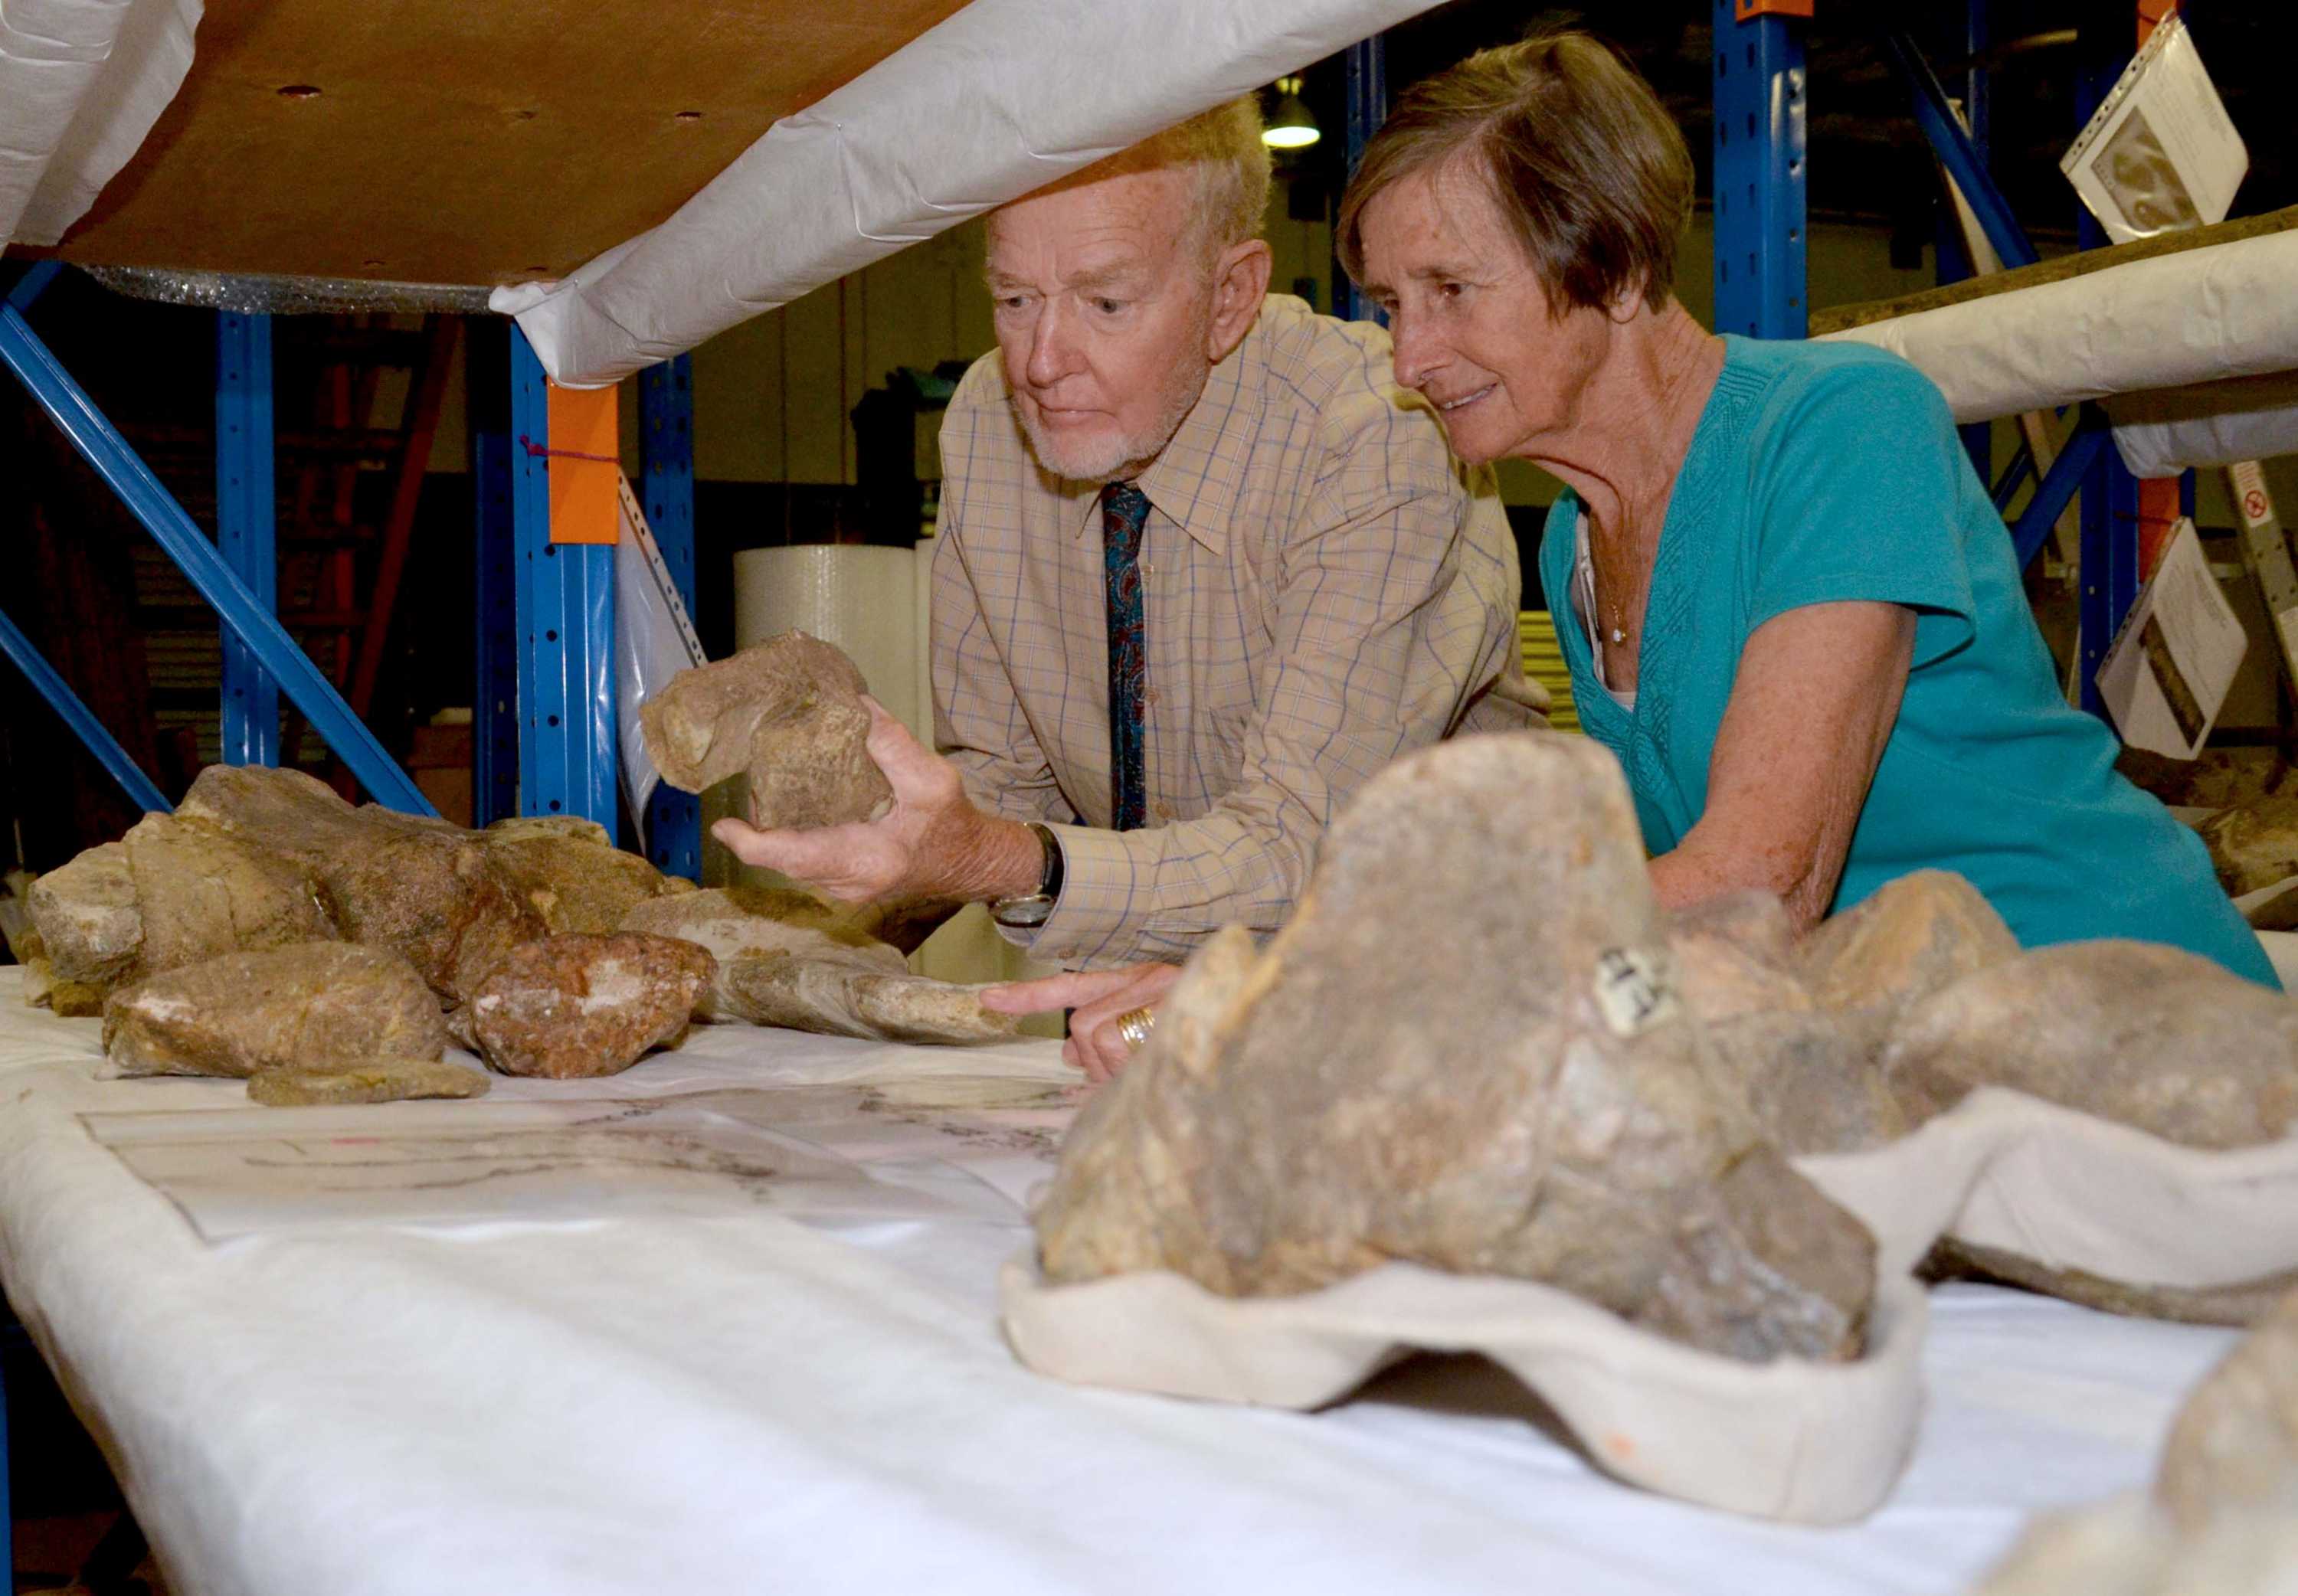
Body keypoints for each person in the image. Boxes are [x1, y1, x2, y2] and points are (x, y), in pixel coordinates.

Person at [1332, 29, 2274, 986]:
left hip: (2130, 1015)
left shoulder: (1841, 424)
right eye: (1392, 304)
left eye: (1450, 290)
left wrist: (1377, 971)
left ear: (1611, 267)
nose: (1410, 361)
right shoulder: (1576, 538)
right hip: (1910, 1048)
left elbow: (1759, 892)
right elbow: (1676, 901)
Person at [713, 98, 1545, 1074]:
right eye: (1016, 298)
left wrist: (994, 856)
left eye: (1106, 303)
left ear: (1230, 296)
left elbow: (1295, 847)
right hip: (1152, 1012)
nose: (1041, 361)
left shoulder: (1367, 434)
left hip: (1446, 1026)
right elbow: (1008, 782)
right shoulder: (986, 424)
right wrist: (793, 938)